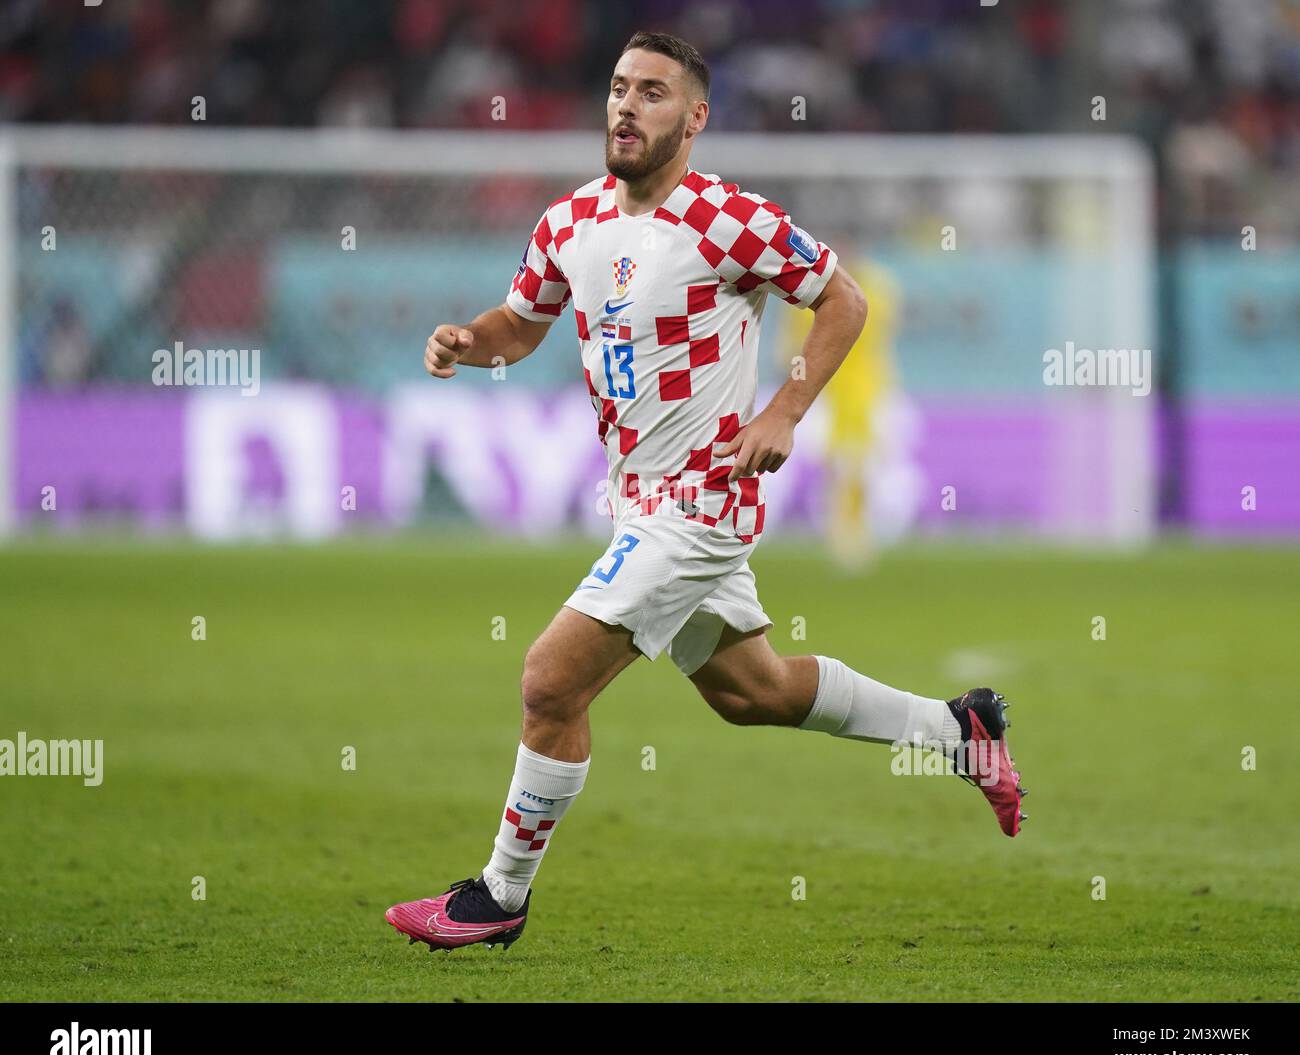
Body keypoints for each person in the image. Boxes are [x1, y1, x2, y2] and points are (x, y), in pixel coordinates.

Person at [386, 32, 1025, 954]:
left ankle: (499, 896)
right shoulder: (568, 224)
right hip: (637, 501)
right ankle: (960, 731)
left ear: (694, 118)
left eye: (651, 93)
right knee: (751, 691)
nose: (625, 107)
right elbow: (519, 328)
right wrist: (464, 341)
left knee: (549, 682)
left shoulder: (730, 219)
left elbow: (843, 299)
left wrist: (786, 411)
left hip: (702, 503)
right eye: (616, 89)